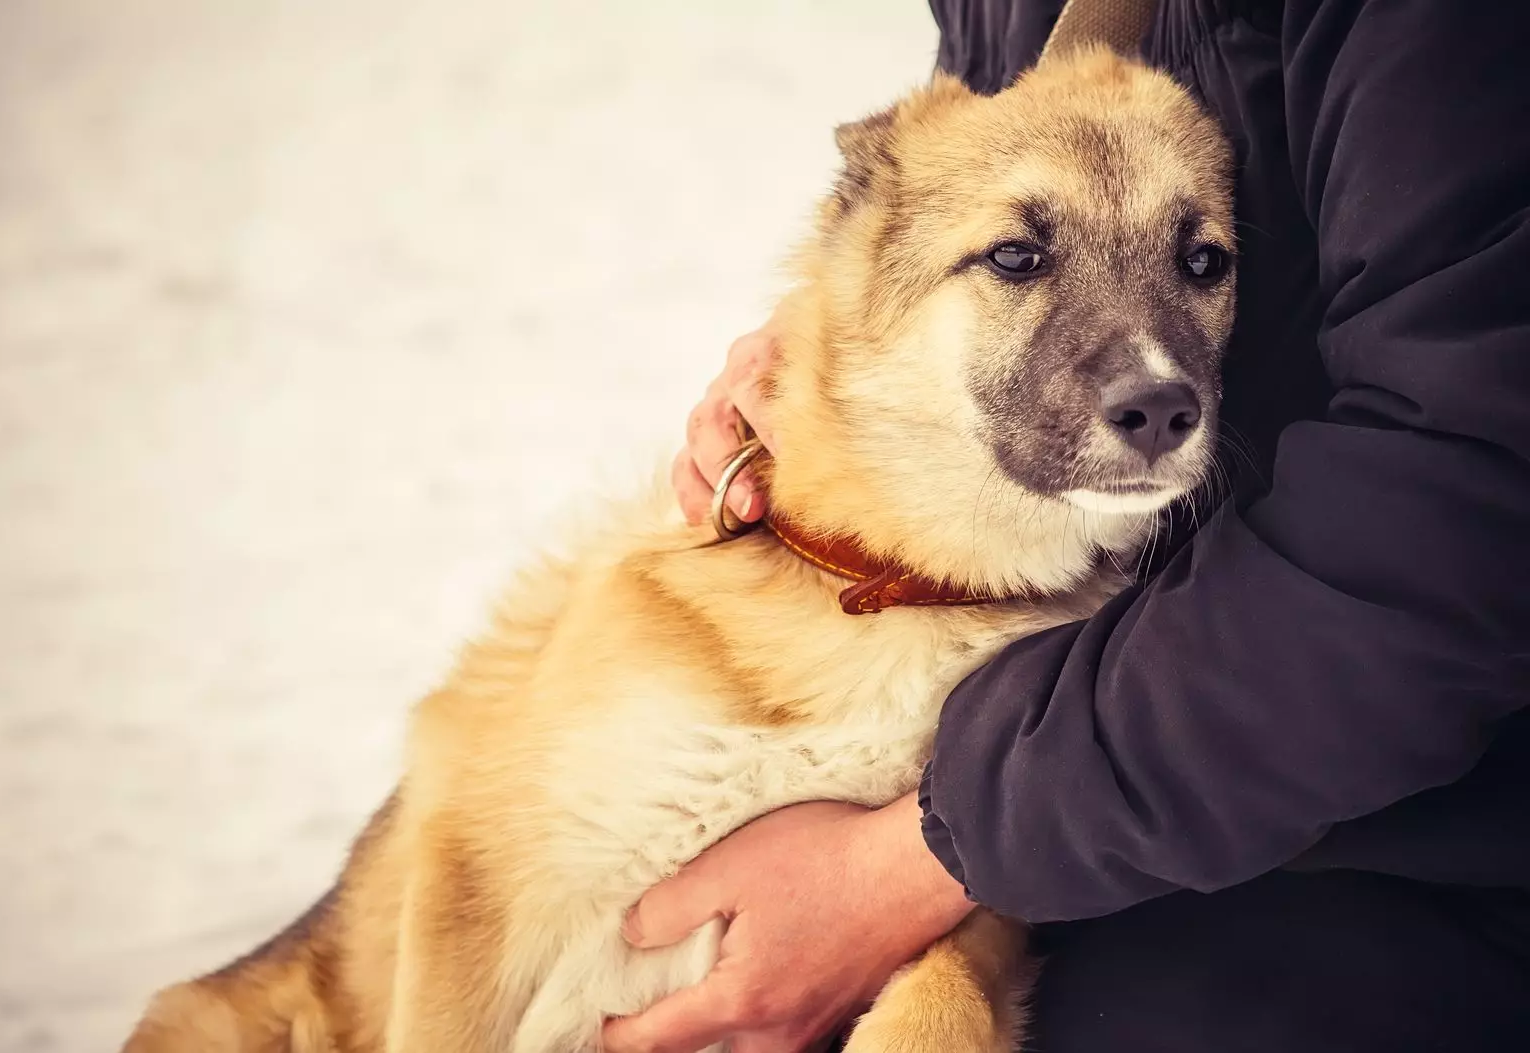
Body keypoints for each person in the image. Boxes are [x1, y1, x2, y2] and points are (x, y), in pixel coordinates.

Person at [602, 2, 1530, 1051]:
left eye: (1200, 266)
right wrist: (833, 334)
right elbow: (976, 159)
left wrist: (910, 864)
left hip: (1416, 822)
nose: (1153, 378)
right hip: (1124, 739)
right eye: (1019, 265)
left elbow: (1454, 532)